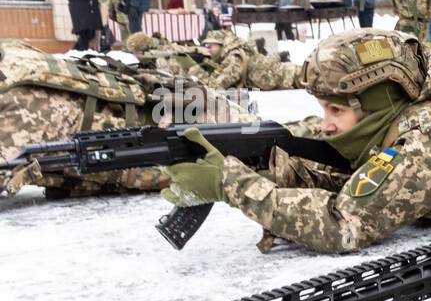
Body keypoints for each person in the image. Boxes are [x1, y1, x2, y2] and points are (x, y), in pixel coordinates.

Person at [159, 29, 431, 253]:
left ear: (378, 105)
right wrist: (263, 159)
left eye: (338, 110)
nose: (328, 123)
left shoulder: (430, 148)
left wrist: (233, 184)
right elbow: (322, 148)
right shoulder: (395, 121)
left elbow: (344, 224)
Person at [0, 39, 252, 198]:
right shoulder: (12, 55)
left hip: (166, 136)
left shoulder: (12, 112)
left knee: (240, 157)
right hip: (163, 109)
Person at [192, 29, 303, 91]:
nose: (208, 49)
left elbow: (219, 84)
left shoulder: (235, 57)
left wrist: (195, 70)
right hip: (289, 76)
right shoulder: (233, 54)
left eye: (211, 45)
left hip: (293, 76)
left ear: (221, 45)